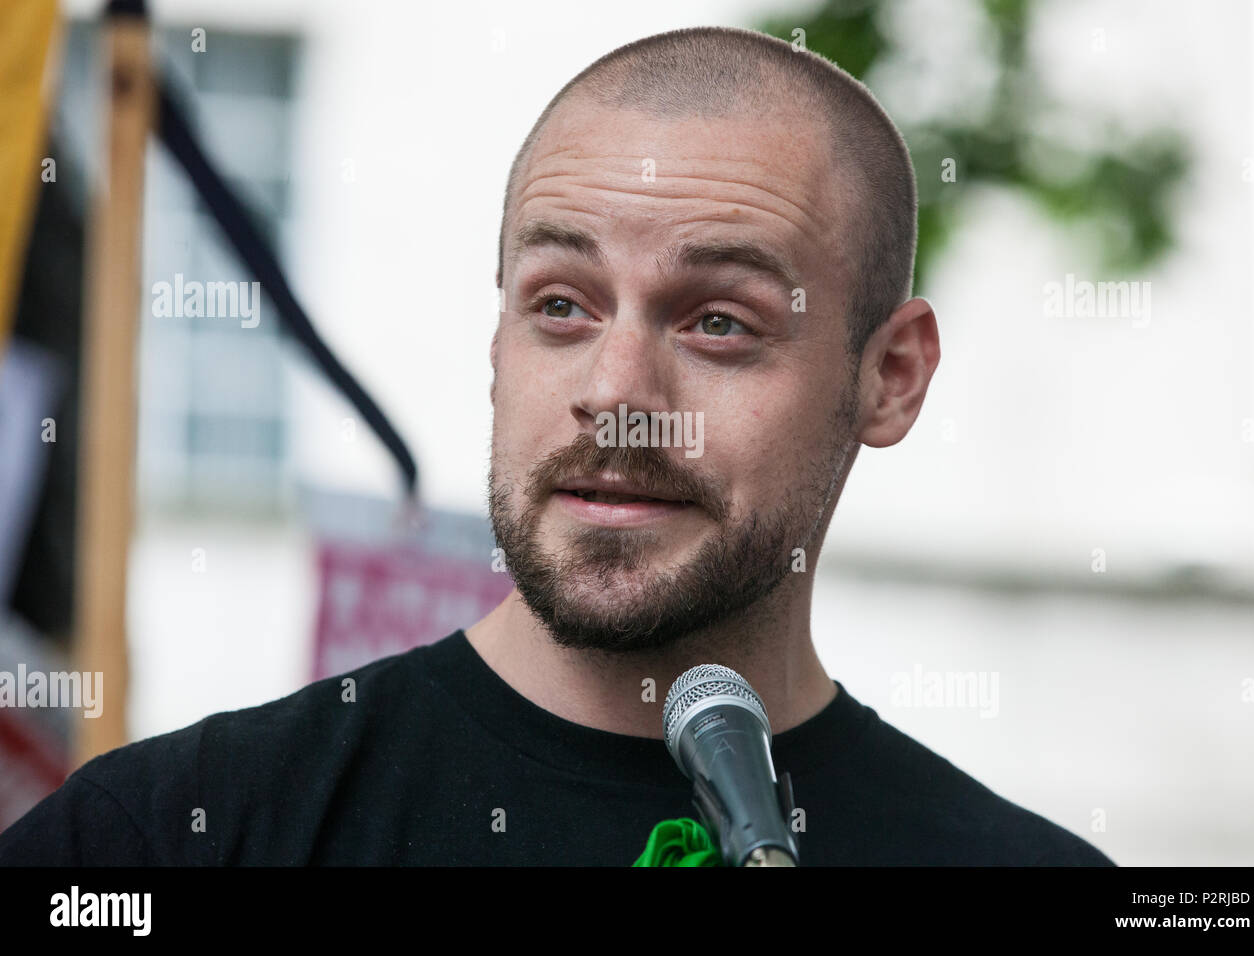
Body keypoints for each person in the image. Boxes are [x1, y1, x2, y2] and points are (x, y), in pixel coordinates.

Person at [0, 25, 1112, 866]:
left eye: (718, 321)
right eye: (563, 307)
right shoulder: (160, 841)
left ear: (891, 376)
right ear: (497, 343)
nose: (617, 395)